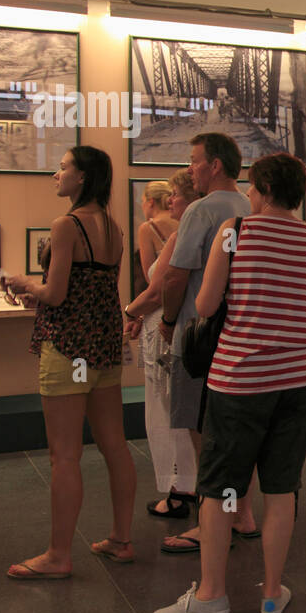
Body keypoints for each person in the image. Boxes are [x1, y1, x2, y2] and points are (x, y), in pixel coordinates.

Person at [154, 153, 306, 613]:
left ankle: (212, 594)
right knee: (281, 489)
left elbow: (206, 301)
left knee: (219, 488)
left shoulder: (236, 232)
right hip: (299, 380)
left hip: (239, 379)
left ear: (261, 188)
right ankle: (273, 591)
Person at [3, 146, 136, 578]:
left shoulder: (66, 225)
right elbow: (90, 288)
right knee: (115, 445)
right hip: (103, 346)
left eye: (62, 168)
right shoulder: (114, 228)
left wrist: (26, 283)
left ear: (82, 177)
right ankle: (121, 538)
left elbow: (56, 294)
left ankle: (59, 555)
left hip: (67, 347)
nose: (56, 175)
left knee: (65, 456)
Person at [157, 133, 254, 552]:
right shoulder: (250, 205)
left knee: (202, 433)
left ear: (215, 165)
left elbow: (176, 275)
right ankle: (242, 514)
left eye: (195, 160)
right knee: (233, 431)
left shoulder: (202, 210)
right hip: (239, 337)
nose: (191, 168)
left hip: (199, 336)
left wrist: (167, 318)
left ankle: (210, 523)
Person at [124, 170, 199, 517]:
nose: (171, 202)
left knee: (167, 411)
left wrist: (131, 312)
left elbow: (156, 287)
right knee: (179, 410)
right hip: (177, 326)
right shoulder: (194, 230)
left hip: (165, 329)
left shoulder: (160, 231)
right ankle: (188, 485)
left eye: (175, 195)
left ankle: (179, 488)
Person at [134, 180, 178, 300]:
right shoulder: (182, 221)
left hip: (162, 300)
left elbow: (150, 278)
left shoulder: (148, 228)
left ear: (150, 202)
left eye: (143, 201)